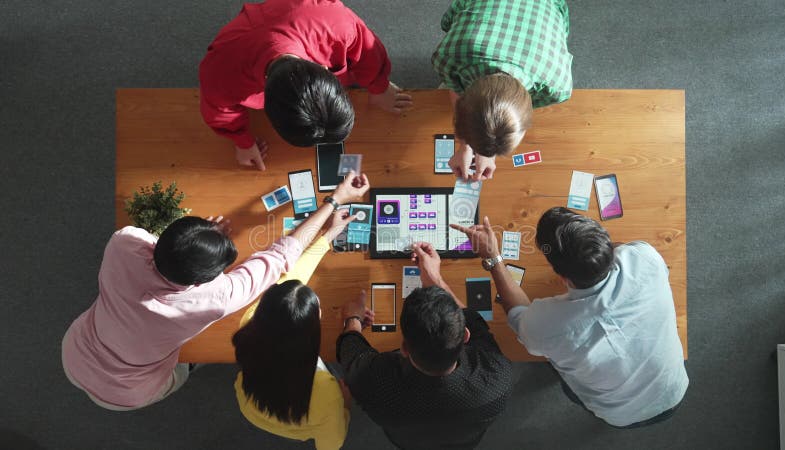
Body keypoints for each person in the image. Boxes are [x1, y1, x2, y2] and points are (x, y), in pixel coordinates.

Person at [61, 172, 370, 410]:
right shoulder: (214, 299)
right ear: (201, 281)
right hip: (127, 392)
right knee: (186, 366)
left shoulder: (123, 243)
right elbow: (282, 255)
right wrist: (335, 199)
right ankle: (191, 366)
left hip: (75, 354)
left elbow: (158, 244)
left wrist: (201, 240)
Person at [451, 208, 689, 428]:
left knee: (568, 385)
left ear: (562, 279)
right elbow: (620, 249)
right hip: (675, 389)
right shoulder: (646, 257)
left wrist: (493, 257)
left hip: (619, 415)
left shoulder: (546, 328)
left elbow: (517, 314)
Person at [336, 242, 513, 449]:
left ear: (404, 348)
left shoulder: (375, 385)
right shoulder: (498, 377)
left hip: (407, 441)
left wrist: (352, 318)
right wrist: (436, 279)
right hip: (464, 440)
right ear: (465, 336)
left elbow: (349, 347)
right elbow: (474, 321)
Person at [199, 0, 413, 171]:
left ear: (324, 68)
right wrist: (242, 141)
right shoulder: (220, 75)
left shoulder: (336, 24)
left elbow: (368, 51)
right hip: (248, 37)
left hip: (303, 17)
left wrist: (379, 88)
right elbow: (220, 113)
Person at [232, 212, 364, 450]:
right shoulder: (326, 391)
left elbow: (292, 280)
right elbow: (331, 445)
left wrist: (328, 236)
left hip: (251, 407)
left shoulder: (249, 324)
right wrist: (345, 403)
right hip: (300, 425)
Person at [431, 0, 573, 180]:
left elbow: (457, 91)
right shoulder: (448, 56)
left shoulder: (557, 86)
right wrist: (466, 146)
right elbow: (455, 91)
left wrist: (485, 151)